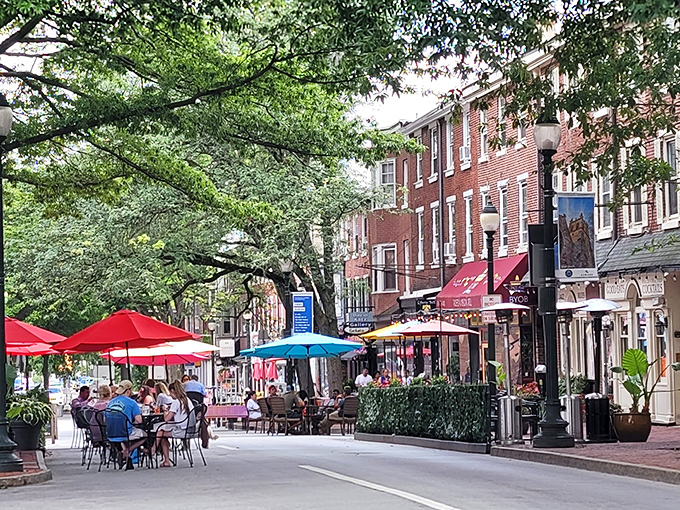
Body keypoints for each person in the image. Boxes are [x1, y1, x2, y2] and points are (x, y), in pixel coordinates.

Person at [105, 380, 147, 470]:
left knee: (125, 436)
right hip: (125, 433)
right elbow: (139, 421)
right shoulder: (132, 403)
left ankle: (126, 455)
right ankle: (126, 452)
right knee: (145, 435)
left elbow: (105, 419)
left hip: (110, 433)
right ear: (128, 391)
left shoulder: (110, 403)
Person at [154, 380, 195, 468]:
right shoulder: (187, 400)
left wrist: (165, 410)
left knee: (161, 433)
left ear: (173, 391)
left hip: (181, 430)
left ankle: (159, 455)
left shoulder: (176, 402)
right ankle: (155, 450)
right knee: (162, 430)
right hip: (190, 429)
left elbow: (166, 419)